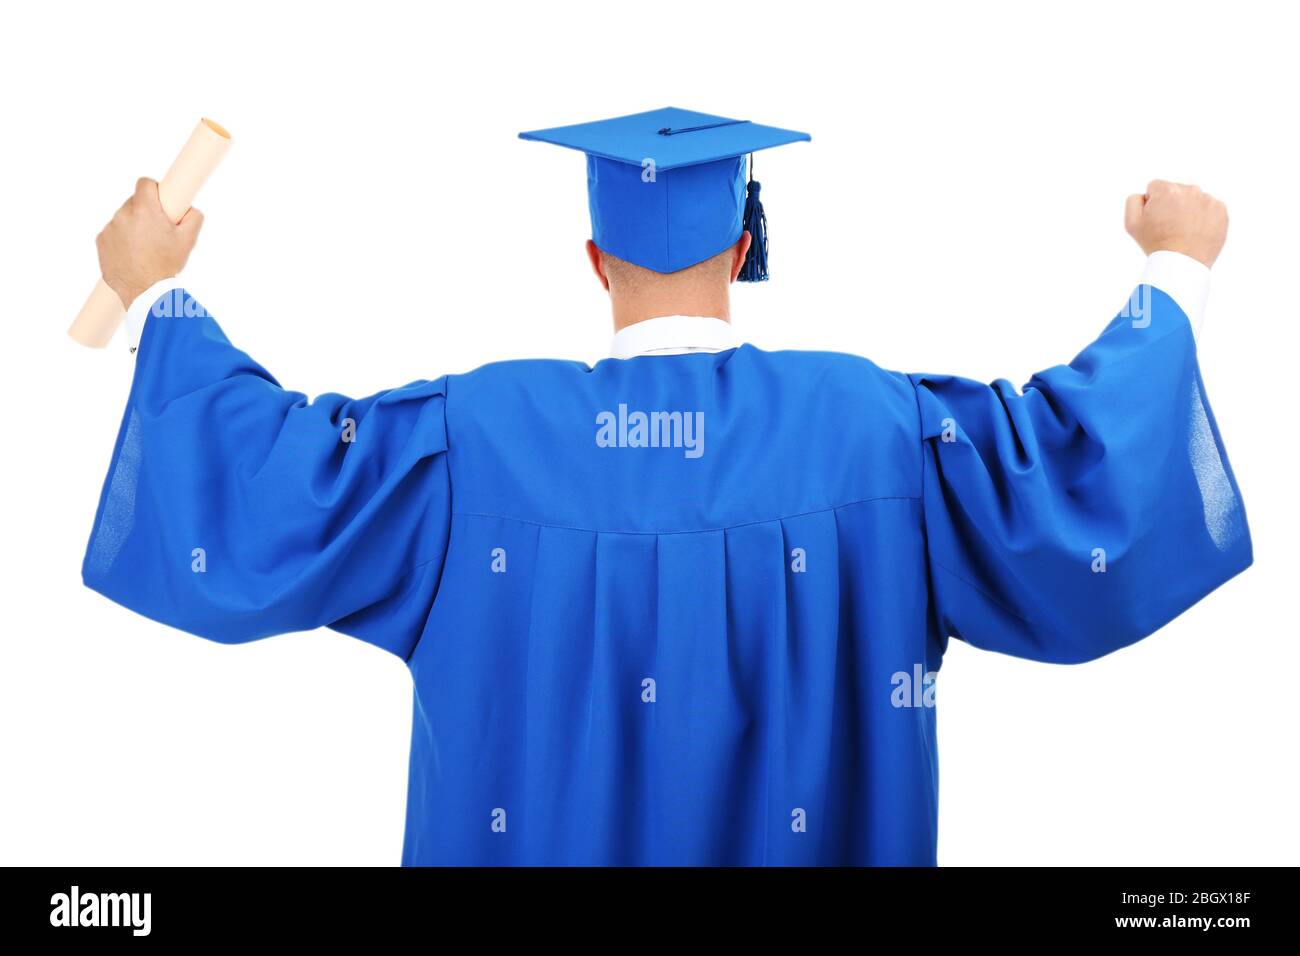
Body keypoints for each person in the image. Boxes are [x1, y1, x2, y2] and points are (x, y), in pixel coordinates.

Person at [82, 108, 1251, 865]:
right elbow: (1074, 477)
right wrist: (1174, 268)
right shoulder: (877, 433)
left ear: (592, 260)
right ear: (742, 248)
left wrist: (150, 297)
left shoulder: (475, 438)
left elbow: (269, 480)